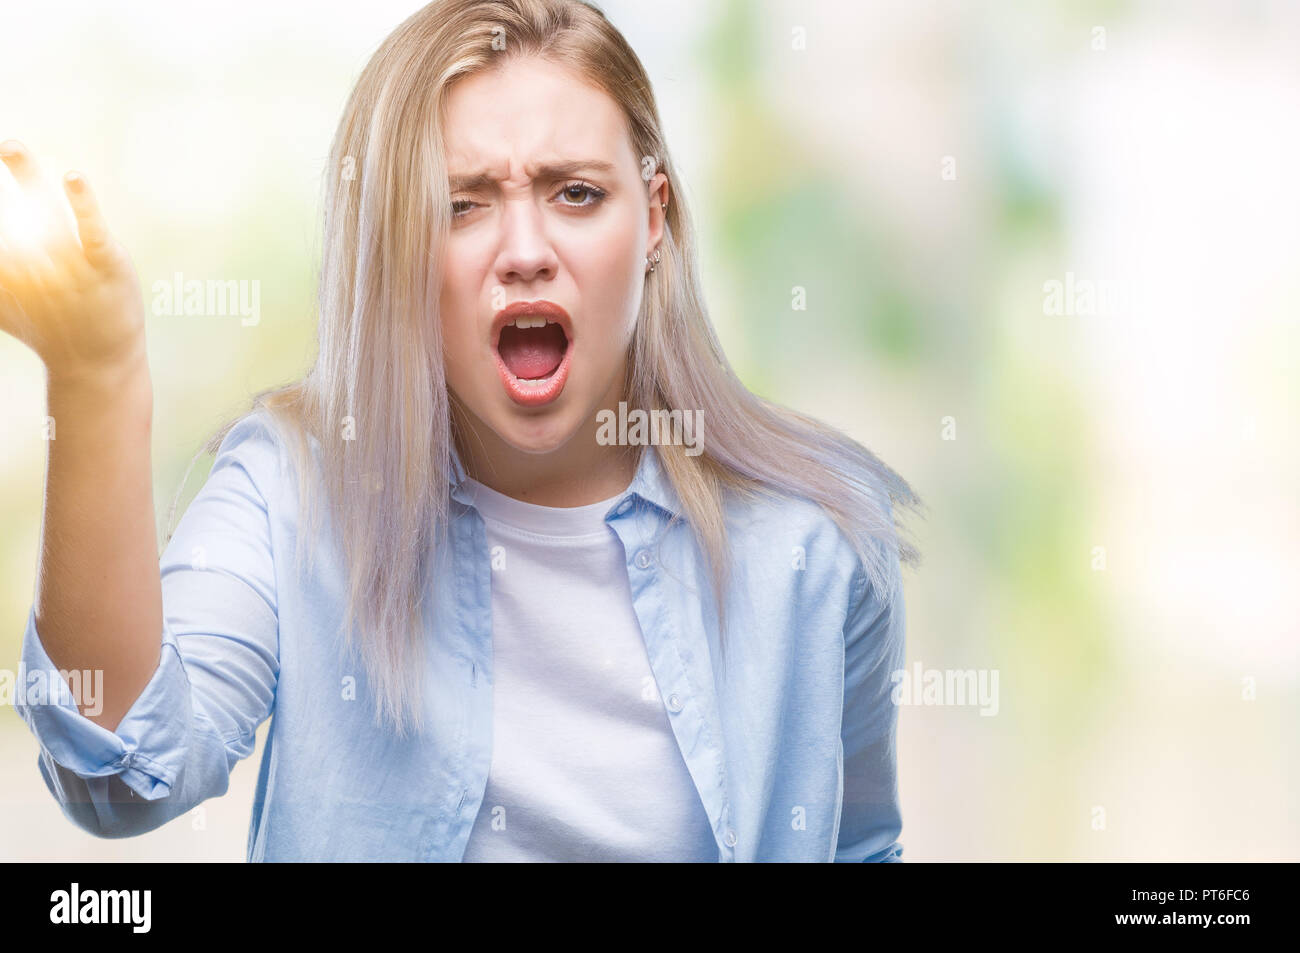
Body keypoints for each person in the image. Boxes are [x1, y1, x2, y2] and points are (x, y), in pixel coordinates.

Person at [0, 0, 922, 862]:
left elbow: (859, 848)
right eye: (461, 204)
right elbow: (121, 774)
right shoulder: (290, 489)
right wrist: (95, 376)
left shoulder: (815, 540)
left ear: (655, 219)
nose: (524, 252)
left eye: (575, 193)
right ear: (395, 243)